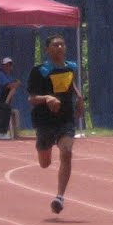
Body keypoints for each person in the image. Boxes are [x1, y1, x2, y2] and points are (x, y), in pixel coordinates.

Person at [26, 34, 83, 213]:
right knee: (45, 163)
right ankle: (42, 147)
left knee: (66, 152)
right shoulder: (40, 71)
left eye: (62, 44)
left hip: (65, 119)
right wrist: (48, 98)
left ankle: (59, 197)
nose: (59, 47)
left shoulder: (71, 67)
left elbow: (70, 83)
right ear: (47, 50)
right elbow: (32, 98)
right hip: (45, 120)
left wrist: (79, 97)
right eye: (55, 45)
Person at [0, 56, 21, 139]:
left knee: (6, 107)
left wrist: (16, 83)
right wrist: (16, 84)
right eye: (6, 65)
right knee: (5, 108)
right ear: (2, 66)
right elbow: (11, 86)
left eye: (10, 65)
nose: (8, 67)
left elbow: (12, 87)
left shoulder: (7, 76)